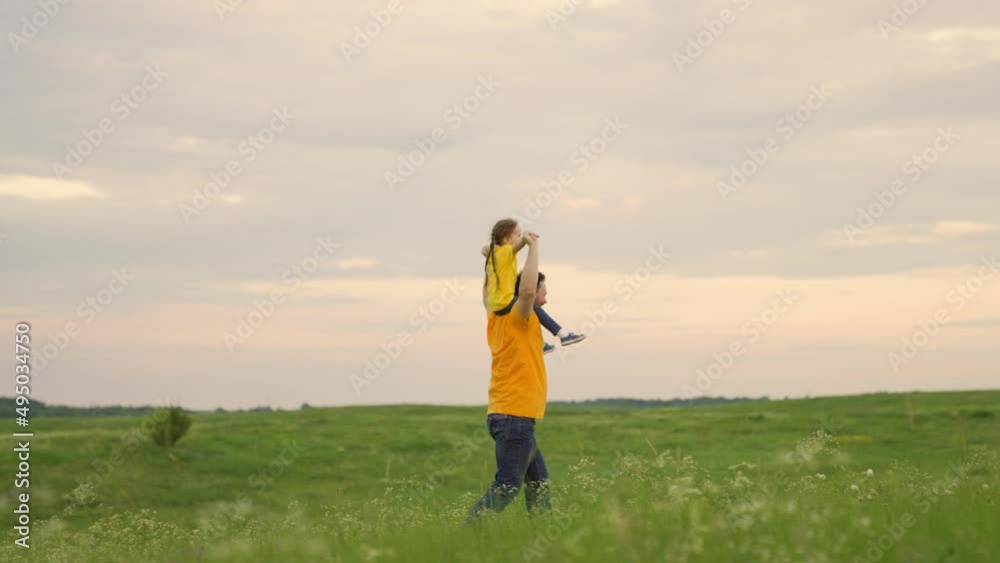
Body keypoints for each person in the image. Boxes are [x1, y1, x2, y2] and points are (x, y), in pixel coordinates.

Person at [468, 232, 553, 519]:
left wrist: (494, 258)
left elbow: (490, 284)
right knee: (507, 486)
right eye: (545, 288)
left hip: (508, 415)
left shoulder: (494, 314)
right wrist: (532, 247)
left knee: (538, 483)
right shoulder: (519, 316)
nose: (546, 294)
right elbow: (527, 292)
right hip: (514, 416)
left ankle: (543, 540)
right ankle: (468, 535)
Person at [481, 218, 585, 354]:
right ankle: (563, 335)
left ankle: (540, 343)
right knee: (533, 308)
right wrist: (526, 239)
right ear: (506, 239)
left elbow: (484, 249)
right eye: (517, 235)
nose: (519, 237)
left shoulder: (493, 255)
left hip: (495, 304)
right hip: (504, 301)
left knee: (528, 314)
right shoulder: (506, 251)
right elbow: (518, 245)